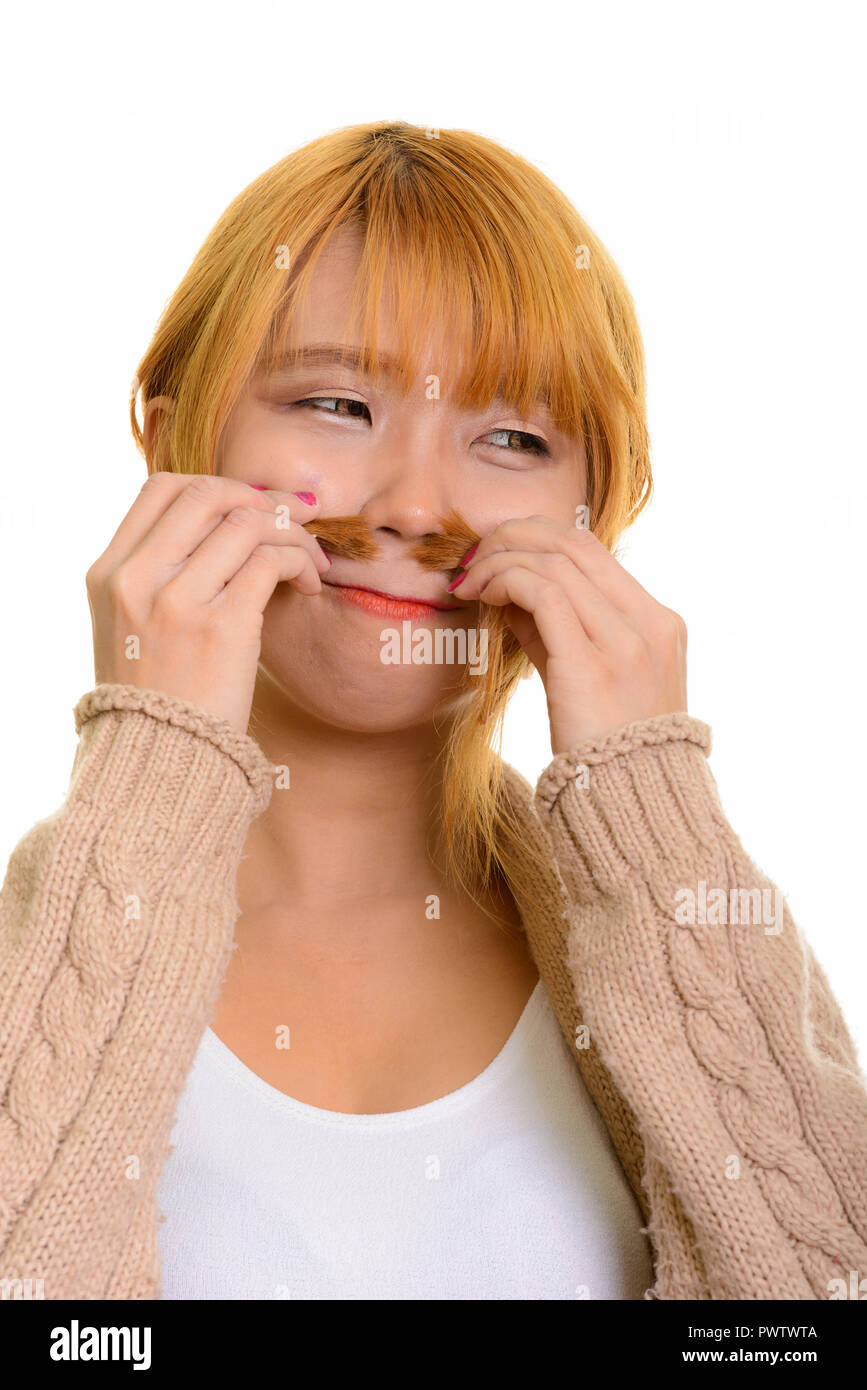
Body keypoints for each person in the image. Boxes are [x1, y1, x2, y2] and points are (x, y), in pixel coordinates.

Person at [1, 120, 865, 1302]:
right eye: (336, 404)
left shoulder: (685, 921)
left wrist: (651, 806)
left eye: (513, 437)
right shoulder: (30, 947)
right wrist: (152, 769)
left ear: (593, 515)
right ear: (172, 434)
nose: (413, 505)